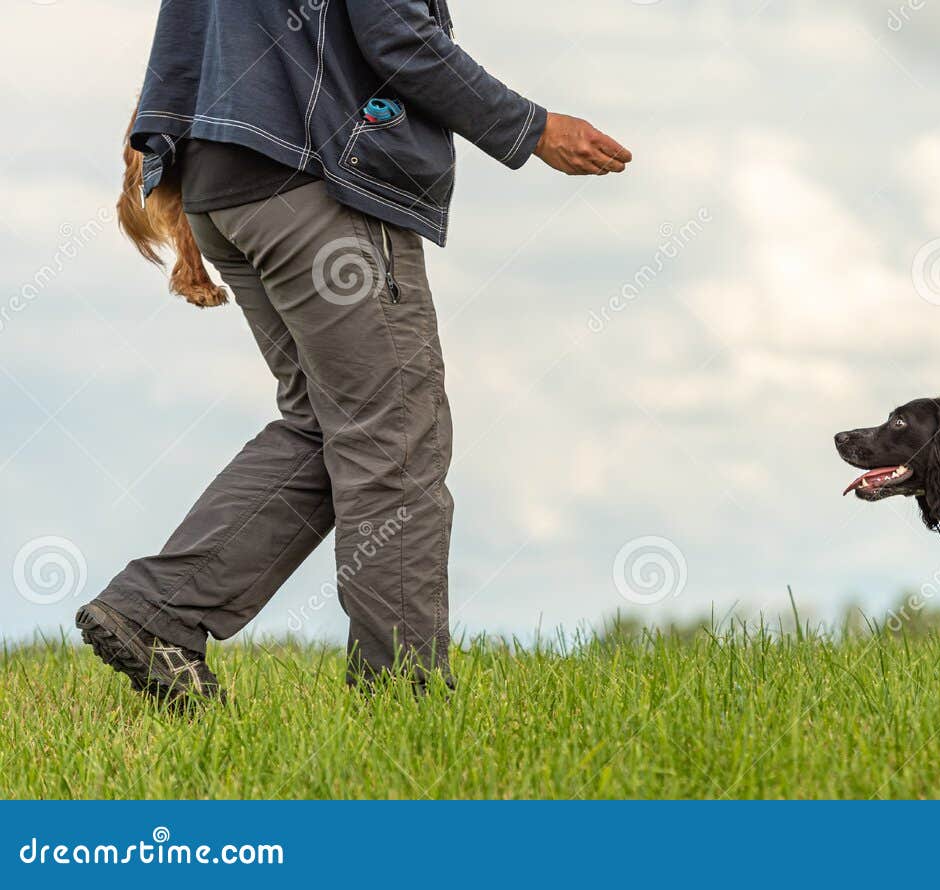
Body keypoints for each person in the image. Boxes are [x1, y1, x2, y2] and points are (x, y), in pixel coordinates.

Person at [78, 0, 630, 703]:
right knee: (394, 435)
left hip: (222, 182)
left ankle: (161, 612)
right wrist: (534, 128)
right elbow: (398, 36)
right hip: (313, 180)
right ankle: (405, 696)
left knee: (326, 424)